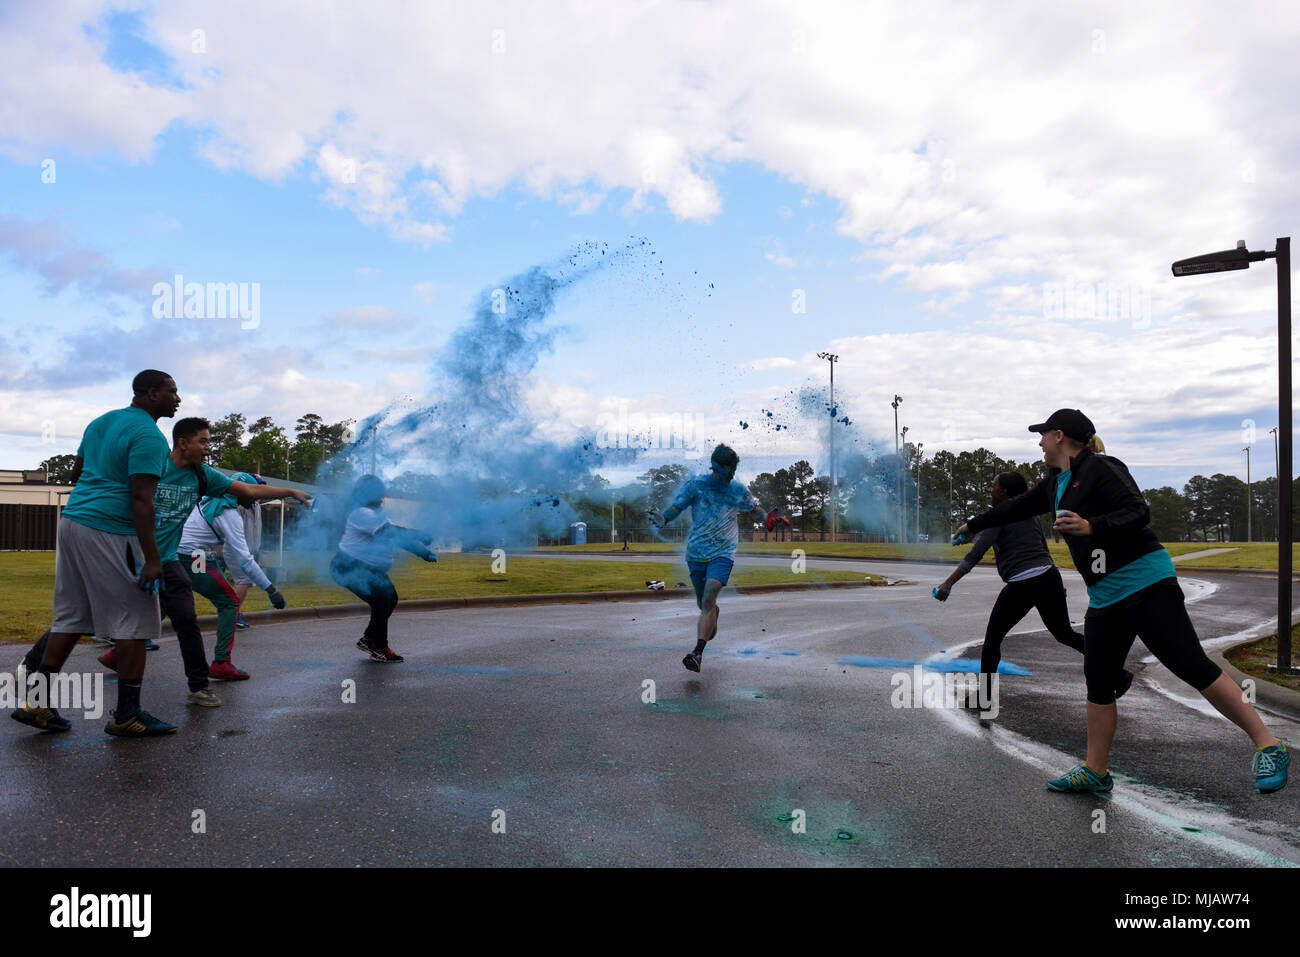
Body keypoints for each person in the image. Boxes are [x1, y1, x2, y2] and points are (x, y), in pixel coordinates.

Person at [956, 409, 1288, 794]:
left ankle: (1270, 744)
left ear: (1060, 436)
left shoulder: (1101, 467)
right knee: (1098, 680)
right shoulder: (1054, 484)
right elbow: (1015, 507)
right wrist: (974, 524)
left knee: (1189, 664)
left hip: (1145, 580)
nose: (1040, 442)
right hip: (1106, 595)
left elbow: (1138, 510)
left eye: (1043, 435)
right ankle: (1096, 770)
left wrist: (1091, 525)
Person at [21, 417, 308, 712]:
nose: (208, 448)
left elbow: (247, 492)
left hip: (171, 559)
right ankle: (44, 673)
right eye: (203, 441)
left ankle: (197, 686)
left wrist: (290, 492)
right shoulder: (153, 466)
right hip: (132, 553)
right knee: (87, 616)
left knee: (186, 618)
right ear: (183, 442)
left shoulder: (203, 476)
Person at [13, 371, 177, 736]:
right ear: (151, 393)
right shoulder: (149, 435)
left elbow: (76, 472)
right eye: (172, 391)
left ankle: (36, 704)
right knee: (133, 623)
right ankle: (127, 715)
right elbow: (140, 498)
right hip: (109, 529)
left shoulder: (101, 421)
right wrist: (152, 559)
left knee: (71, 618)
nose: (177, 399)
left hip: (73, 522)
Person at [935, 471, 1132, 710]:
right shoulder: (1028, 513)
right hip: (1048, 577)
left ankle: (985, 699)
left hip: (1023, 582)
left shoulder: (996, 518)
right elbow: (1040, 546)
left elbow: (974, 556)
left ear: (1004, 491)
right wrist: (1056, 583)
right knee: (1064, 634)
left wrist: (948, 584)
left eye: (994, 485)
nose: (990, 489)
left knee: (993, 640)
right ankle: (1118, 674)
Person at [649, 444, 763, 673]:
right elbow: (676, 507)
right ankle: (711, 616)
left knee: (709, 597)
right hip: (696, 553)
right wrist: (664, 519)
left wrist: (768, 517)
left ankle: (697, 653)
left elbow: (754, 509)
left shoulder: (738, 489)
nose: (731, 475)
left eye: (733, 470)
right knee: (704, 604)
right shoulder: (696, 486)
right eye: (727, 470)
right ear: (715, 467)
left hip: (723, 553)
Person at [178, 471, 293, 680]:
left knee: (168, 601)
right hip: (193, 556)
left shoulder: (210, 501)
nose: (256, 497)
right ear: (238, 491)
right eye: (252, 492)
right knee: (229, 603)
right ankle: (221, 662)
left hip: (176, 552)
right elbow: (246, 561)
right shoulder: (229, 514)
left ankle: (120, 653)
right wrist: (271, 590)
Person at [329, 475, 437, 662]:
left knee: (390, 598)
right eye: (377, 493)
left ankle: (369, 639)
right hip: (349, 566)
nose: (381, 497)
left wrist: (424, 553)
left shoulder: (377, 515)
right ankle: (379, 647)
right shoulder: (361, 513)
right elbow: (389, 533)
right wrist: (420, 534)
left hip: (364, 569)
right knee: (382, 600)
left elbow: (397, 537)